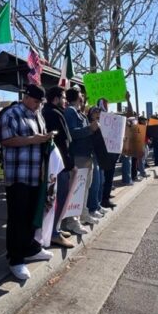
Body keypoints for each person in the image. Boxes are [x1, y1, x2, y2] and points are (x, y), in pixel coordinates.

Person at [0, 84, 55, 280]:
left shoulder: (38, 114)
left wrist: (47, 139)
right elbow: (6, 140)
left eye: (41, 102)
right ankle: (15, 259)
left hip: (36, 175)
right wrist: (34, 139)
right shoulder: (11, 113)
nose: (39, 105)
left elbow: (39, 139)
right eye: (36, 101)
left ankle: (30, 248)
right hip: (18, 176)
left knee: (32, 215)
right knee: (17, 218)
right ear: (26, 97)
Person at [41, 86, 77, 247]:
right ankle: (54, 233)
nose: (66, 101)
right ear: (55, 98)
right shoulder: (54, 114)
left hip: (55, 163)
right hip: (59, 164)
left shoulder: (50, 112)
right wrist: (70, 165)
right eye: (63, 97)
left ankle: (55, 228)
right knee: (58, 198)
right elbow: (63, 142)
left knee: (56, 198)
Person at [62, 87, 100, 234]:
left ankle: (83, 214)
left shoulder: (79, 112)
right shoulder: (70, 111)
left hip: (86, 156)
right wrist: (90, 128)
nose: (83, 96)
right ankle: (72, 221)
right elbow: (71, 133)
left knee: (85, 188)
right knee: (77, 190)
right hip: (78, 156)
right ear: (77, 97)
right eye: (81, 94)